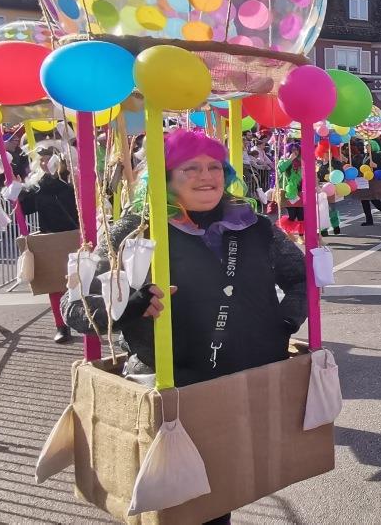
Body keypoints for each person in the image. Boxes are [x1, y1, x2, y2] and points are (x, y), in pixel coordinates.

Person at [61, 129, 308, 398]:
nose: (206, 176)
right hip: (173, 387)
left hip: (259, 377)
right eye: (191, 168)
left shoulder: (253, 224)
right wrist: (125, 308)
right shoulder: (136, 231)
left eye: (215, 167)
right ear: (165, 177)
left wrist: (285, 321)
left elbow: (302, 277)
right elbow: (74, 306)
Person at [19, 144, 80, 344]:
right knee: (55, 286)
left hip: (76, 236)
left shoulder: (72, 179)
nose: (45, 163)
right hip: (51, 238)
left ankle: (85, 321)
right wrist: (17, 192)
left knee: (80, 282)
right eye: (42, 160)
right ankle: (61, 326)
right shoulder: (39, 185)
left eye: (48, 159)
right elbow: (25, 209)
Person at [353, 139, 381, 227]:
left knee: (373, 198)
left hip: (373, 180)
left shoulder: (377, 155)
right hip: (364, 179)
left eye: (368, 145)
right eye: (365, 145)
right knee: (364, 199)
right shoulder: (365, 156)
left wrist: (376, 165)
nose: (366, 147)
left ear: (373, 146)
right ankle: (369, 220)